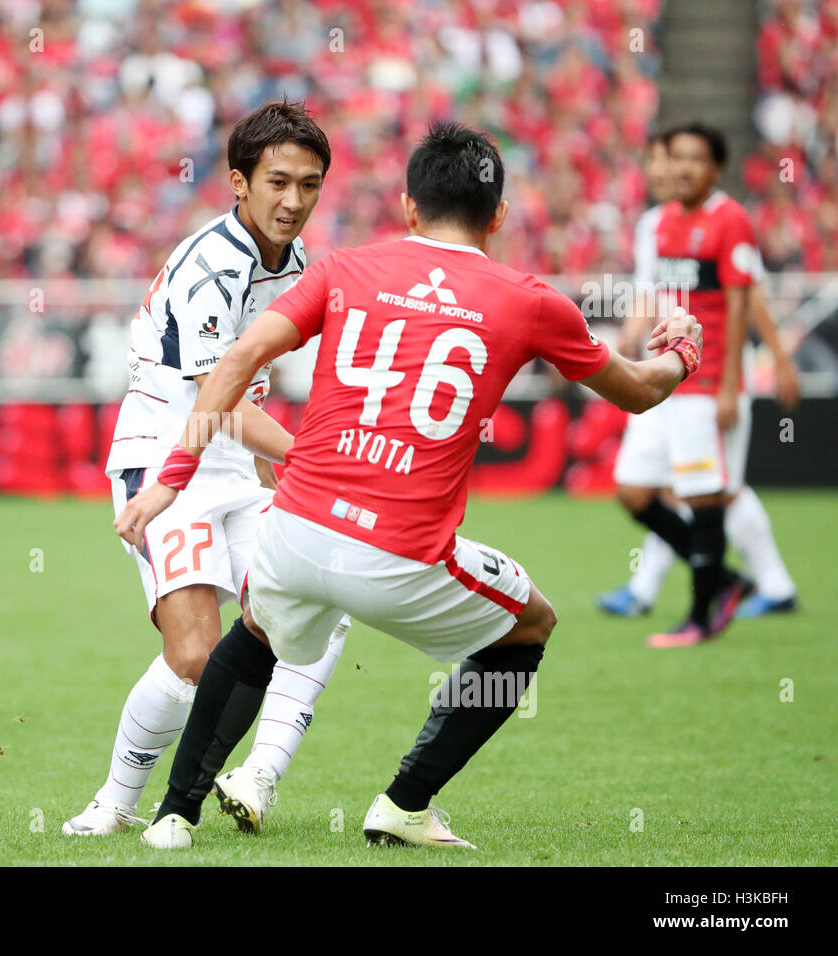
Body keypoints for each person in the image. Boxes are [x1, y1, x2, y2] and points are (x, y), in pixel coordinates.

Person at [116, 122, 704, 849]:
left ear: (408, 208)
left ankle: (174, 812)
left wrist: (171, 478)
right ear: (498, 218)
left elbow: (236, 362)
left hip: (294, 528)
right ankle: (403, 802)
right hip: (398, 553)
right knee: (531, 624)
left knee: (258, 627)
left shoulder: (340, 268)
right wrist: (682, 351)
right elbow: (641, 391)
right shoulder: (532, 301)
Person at [62, 101, 348, 837]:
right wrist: (312, 460)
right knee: (192, 654)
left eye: (309, 185)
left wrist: (274, 468)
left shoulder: (298, 263)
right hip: (166, 454)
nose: (293, 201)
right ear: (237, 181)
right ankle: (115, 802)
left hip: (236, 460)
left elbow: (256, 386)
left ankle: (258, 775)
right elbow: (216, 398)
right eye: (278, 182)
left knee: (314, 606)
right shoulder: (209, 265)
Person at [598, 132, 799, 622]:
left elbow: (745, 297)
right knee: (648, 488)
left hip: (706, 376)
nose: (666, 170)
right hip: (664, 371)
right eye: (663, 160)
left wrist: (774, 360)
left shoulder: (726, 221)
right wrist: (629, 343)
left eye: (680, 160)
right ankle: (738, 582)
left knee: (708, 490)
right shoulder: (658, 223)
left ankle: (742, 589)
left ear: (709, 168)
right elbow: (652, 291)